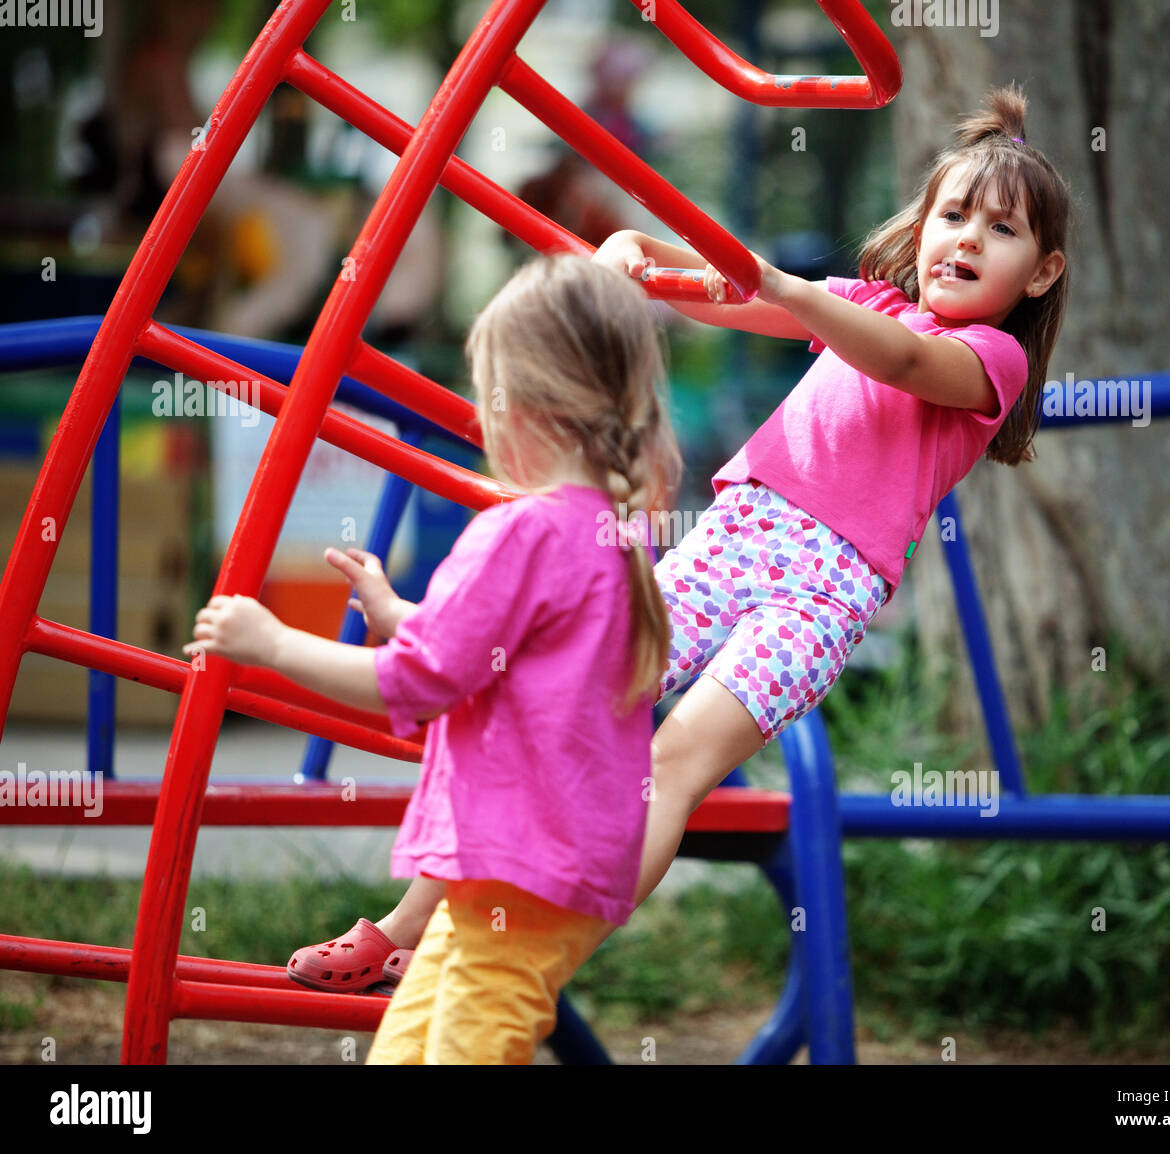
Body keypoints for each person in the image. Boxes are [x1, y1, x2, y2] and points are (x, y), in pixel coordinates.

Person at [284, 83, 1071, 1018]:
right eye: (953, 215)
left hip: (821, 590)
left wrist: (787, 291)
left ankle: (517, 949)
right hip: (736, 535)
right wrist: (645, 257)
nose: (968, 239)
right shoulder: (864, 302)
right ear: (923, 224)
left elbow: (896, 365)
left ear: (1042, 273)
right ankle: (402, 931)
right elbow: (726, 296)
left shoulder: (993, 360)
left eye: (1001, 230)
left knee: (673, 762)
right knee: (559, 707)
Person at [185, 254, 682, 1063]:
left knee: (467, 1046)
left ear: (530, 405)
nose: (480, 427)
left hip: (517, 866)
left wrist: (272, 645)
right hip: (536, 868)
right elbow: (516, 658)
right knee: (414, 1044)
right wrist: (404, 614)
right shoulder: (607, 537)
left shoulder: (520, 530)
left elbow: (412, 681)